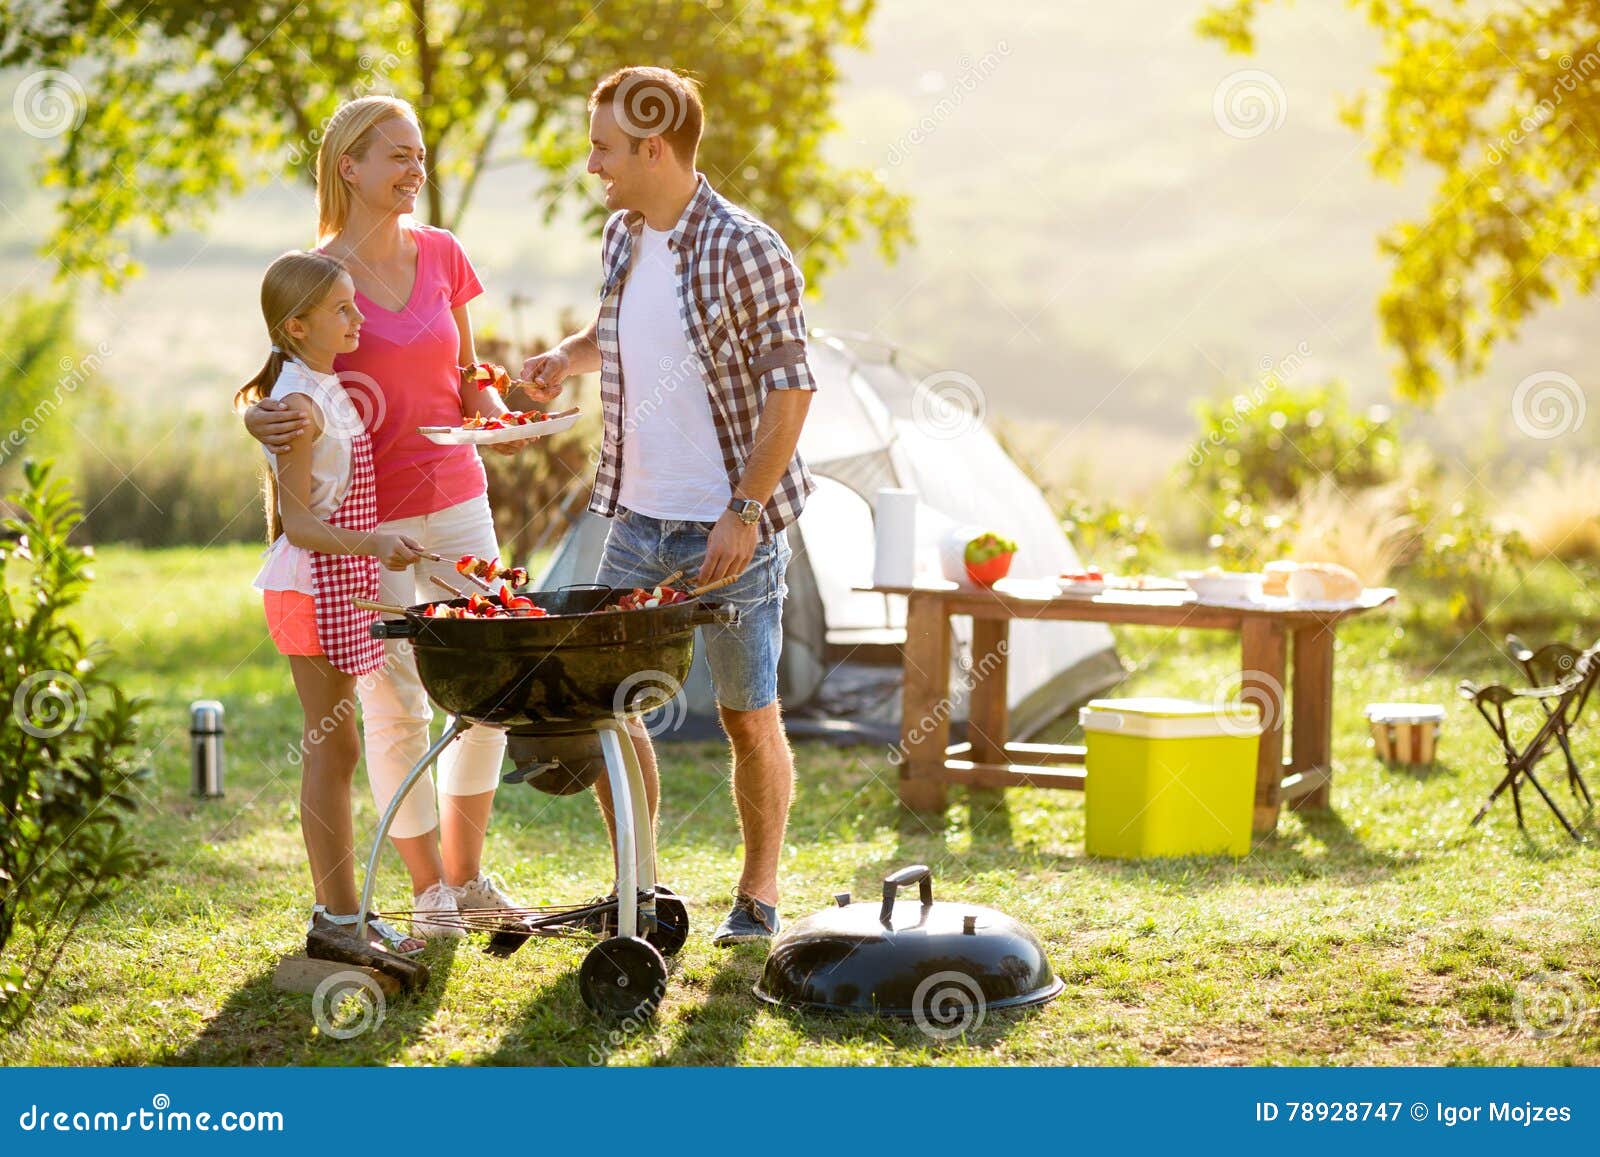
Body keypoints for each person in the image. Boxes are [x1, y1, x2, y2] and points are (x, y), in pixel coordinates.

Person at [522, 67, 816, 946]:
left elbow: (792, 389)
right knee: (605, 710)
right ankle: (639, 889)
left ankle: (758, 895)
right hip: (635, 520)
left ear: (653, 147)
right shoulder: (622, 236)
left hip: (729, 527)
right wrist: (559, 361)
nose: (591, 164)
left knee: (745, 710)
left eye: (604, 148)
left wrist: (745, 508)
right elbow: (615, 331)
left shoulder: (746, 248)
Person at [242, 96, 525, 938]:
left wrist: (494, 409)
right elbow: (286, 384)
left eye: (421, 155)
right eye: (396, 155)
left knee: (490, 689)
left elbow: (469, 372)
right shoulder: (317, 274)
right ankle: (428, 887)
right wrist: (257, 420)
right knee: (396, 703)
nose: (414, 170)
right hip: (371, 521)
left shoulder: (443, 254)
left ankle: (468, 878)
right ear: (349, 167)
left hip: (460, 496)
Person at [238, 249, 427, 956]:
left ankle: (343, 912)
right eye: (343, 309)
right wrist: (378, 544)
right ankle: (339, 922)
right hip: (307, 587)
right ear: (297, 325)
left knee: (338, 745)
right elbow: (302, 525)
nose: (359, 317)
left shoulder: (322, 383)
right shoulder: (297, 404)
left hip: (332, 584)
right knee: (331, 748)